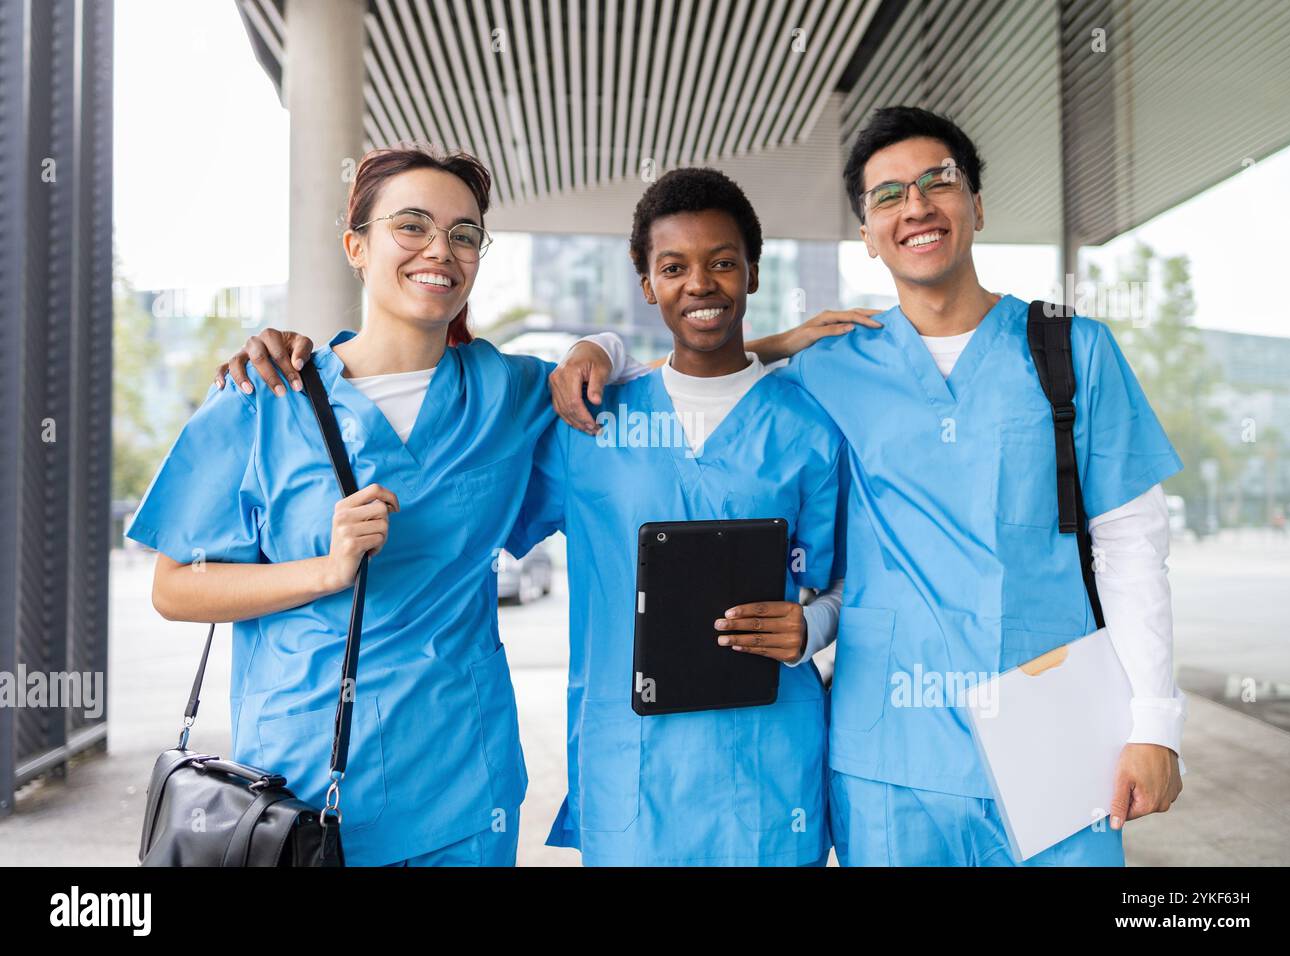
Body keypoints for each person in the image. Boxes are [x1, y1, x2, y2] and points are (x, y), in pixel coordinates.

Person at [561, 106, 1186, 866]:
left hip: (1054, 738)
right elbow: (705, 358)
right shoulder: (831, 366)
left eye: (938, 182)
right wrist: (603, 344)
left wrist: (1155, 723)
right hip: (888, 759)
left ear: (977, 204)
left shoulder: (1070, 349)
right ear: (866, 232)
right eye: (888, 195)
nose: (915, 206)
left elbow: (1131, 547)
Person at [128, 145, 558, 866]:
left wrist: (761, 345)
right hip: (299, 800)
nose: (440, 251)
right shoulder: (264, 393)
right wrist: (323, 571)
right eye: (412, 226)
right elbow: (175, 588)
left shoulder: (510, 395)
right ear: (356, 245)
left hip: (463, 790)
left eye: (463, 234)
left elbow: (660, 390)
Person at [506, 167, 863, 865]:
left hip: (769, 763)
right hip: (632, 766)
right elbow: (469, 494)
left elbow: (849, 583)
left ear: (753, 273)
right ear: (647, 283)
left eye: (722, 262)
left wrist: (811, 626)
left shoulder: (811, 427)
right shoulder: (590, 422)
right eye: (673, 266)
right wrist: (601, 345)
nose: (700, 283)